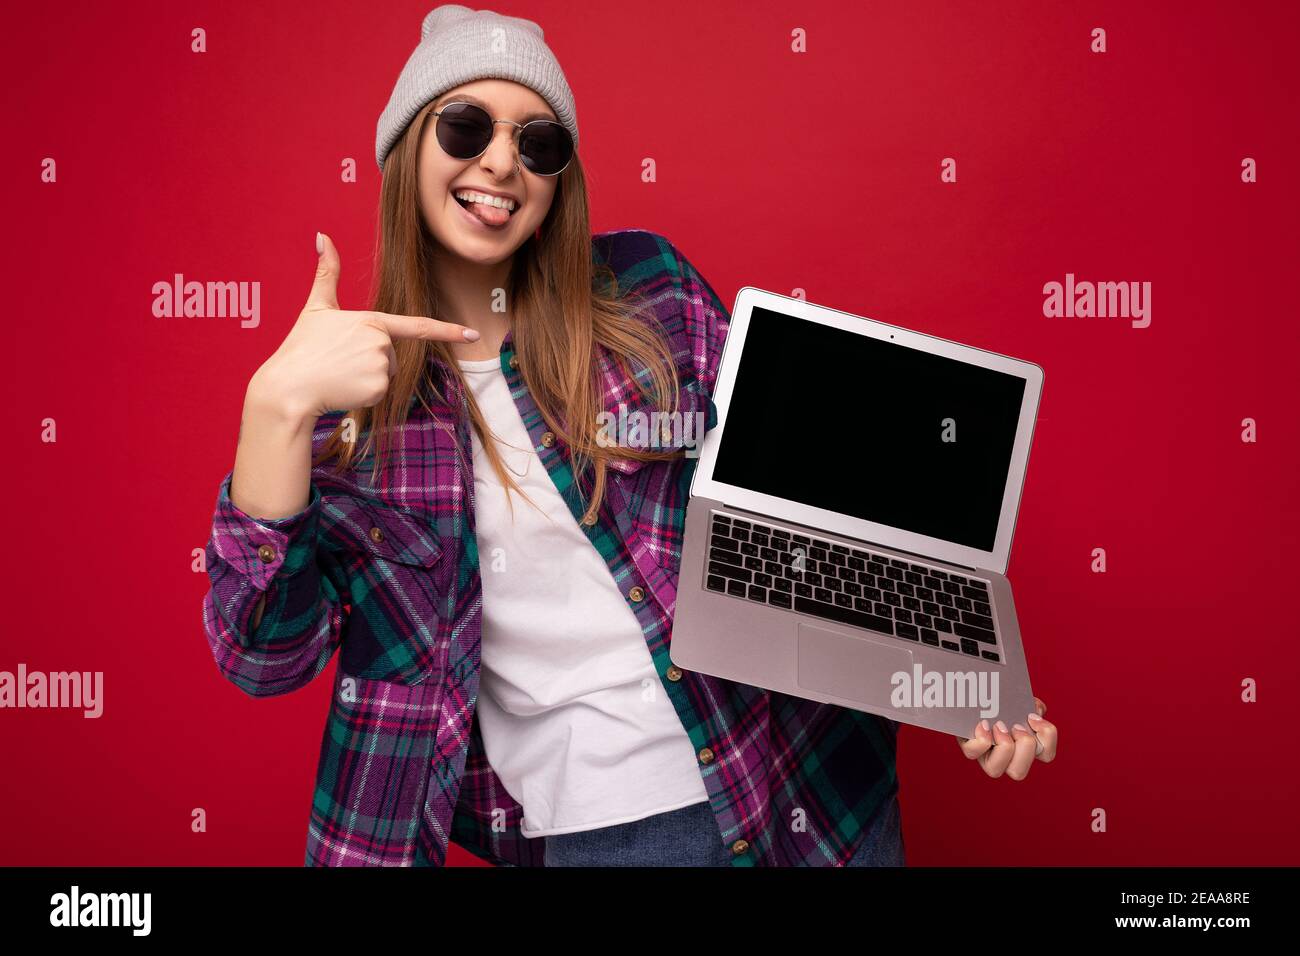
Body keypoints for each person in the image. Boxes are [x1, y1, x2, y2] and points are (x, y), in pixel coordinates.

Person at [200, 4, 1059, 868]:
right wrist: (272, 409)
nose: (502, 161)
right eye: (465, 128)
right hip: (612, 835)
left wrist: (952, 675)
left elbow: (804, 507)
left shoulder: (652, 288)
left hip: (813, 794)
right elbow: (263, 657)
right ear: (406, 150)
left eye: (538, 143)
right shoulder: (350, 411)